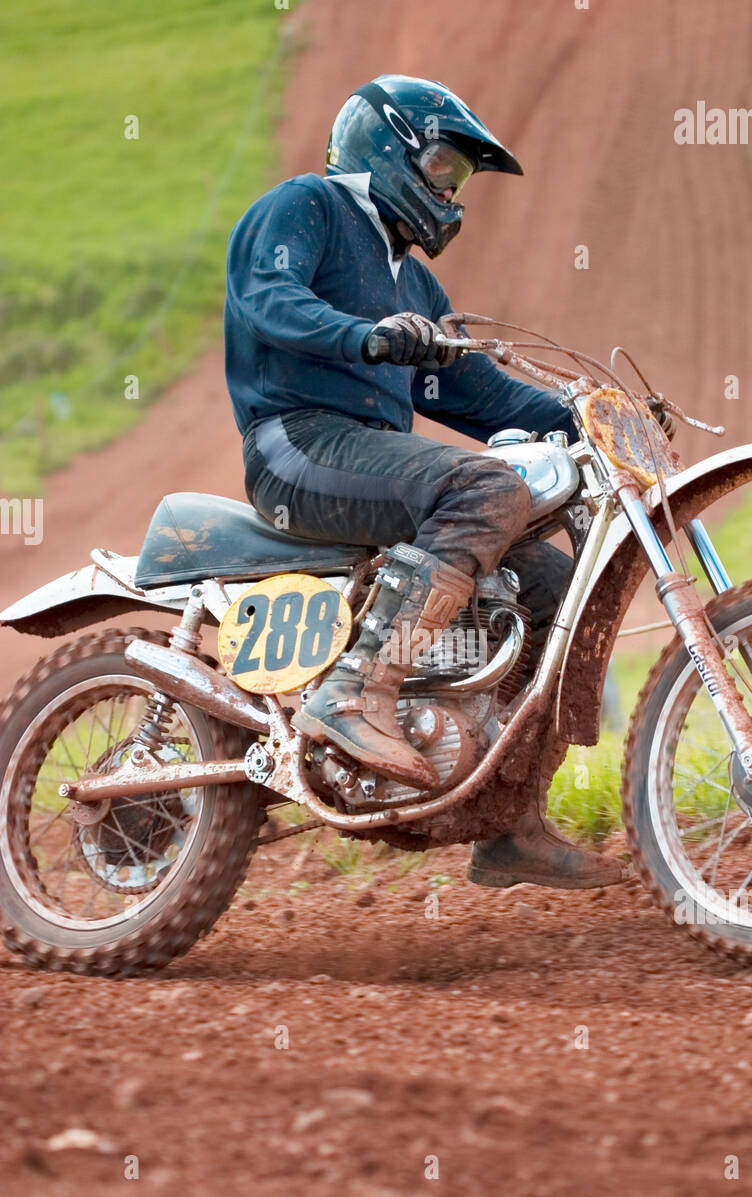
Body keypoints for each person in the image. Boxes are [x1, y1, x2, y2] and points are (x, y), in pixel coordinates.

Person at [224, 73, 623, 890]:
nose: (450, 190)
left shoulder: (413, 283)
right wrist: (368, 336)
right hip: (295, 445)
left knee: (550, 583)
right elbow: (267, 297)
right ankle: (359, 687)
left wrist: (584, 415)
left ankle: (511, 824)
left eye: (459, 179)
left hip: (370, 461)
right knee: (487, 490)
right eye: (444, 167)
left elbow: (470, 392)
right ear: (385, 148)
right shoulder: (307, 206)